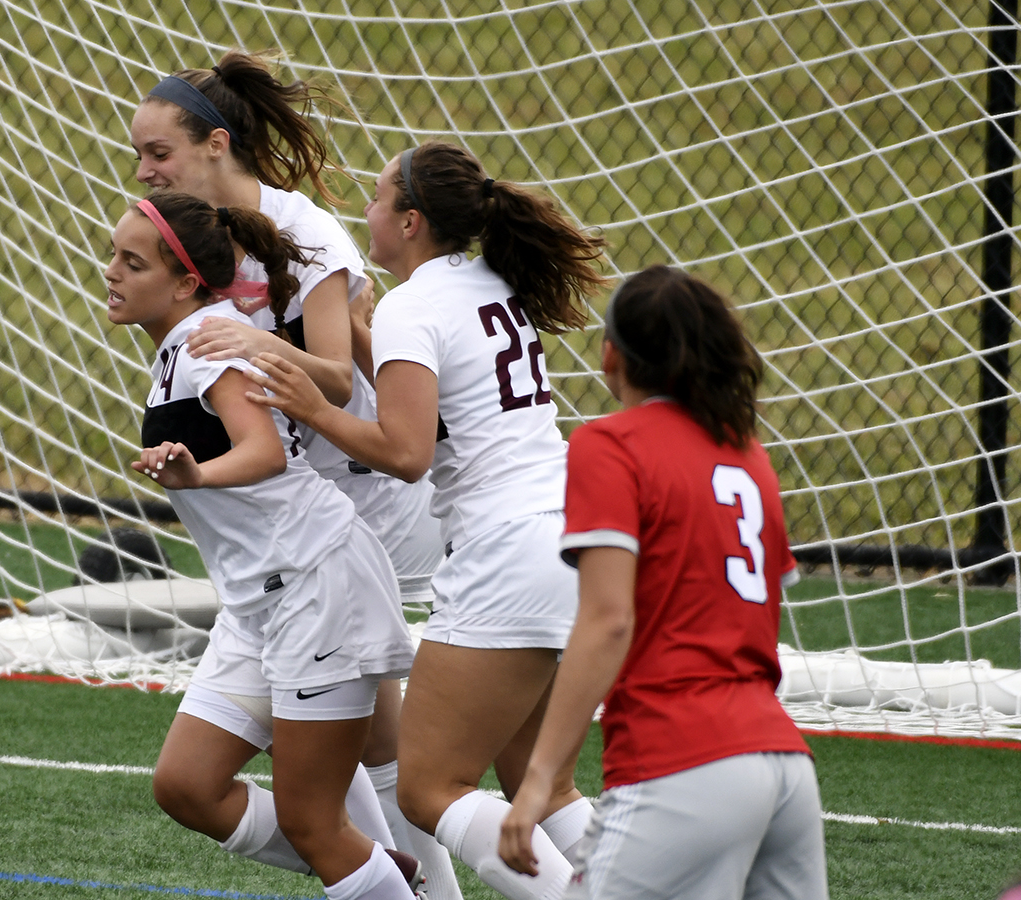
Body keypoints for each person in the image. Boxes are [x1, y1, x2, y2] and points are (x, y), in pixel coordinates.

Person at [248, 141, 610, 900]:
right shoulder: (488, 283)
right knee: (537, 784)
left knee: (428, 790)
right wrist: (365, 338)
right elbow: (449, 403)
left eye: (378, 199)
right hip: (569, 535)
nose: (367, 212)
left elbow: (407, 452)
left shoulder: (417, 302)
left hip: (506, 550)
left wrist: (313, 406)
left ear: (410, 222)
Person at [130, 51, 454, 896]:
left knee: (345, 754)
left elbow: (342, 379)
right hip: (285, 524)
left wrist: (252, 342)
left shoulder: (307, 232)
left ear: (215, 144)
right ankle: (395, 877)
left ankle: (413, 881)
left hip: (355, 502)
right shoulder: (190, 243)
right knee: (344, 750)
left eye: (158, 153)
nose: (144, 170)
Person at [498, 265, 828, 899]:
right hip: (783, 763)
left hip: (682, 760)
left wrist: (538, 778)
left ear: (611, 355)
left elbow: (608, 618)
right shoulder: (747, 454)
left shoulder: (609, 444)